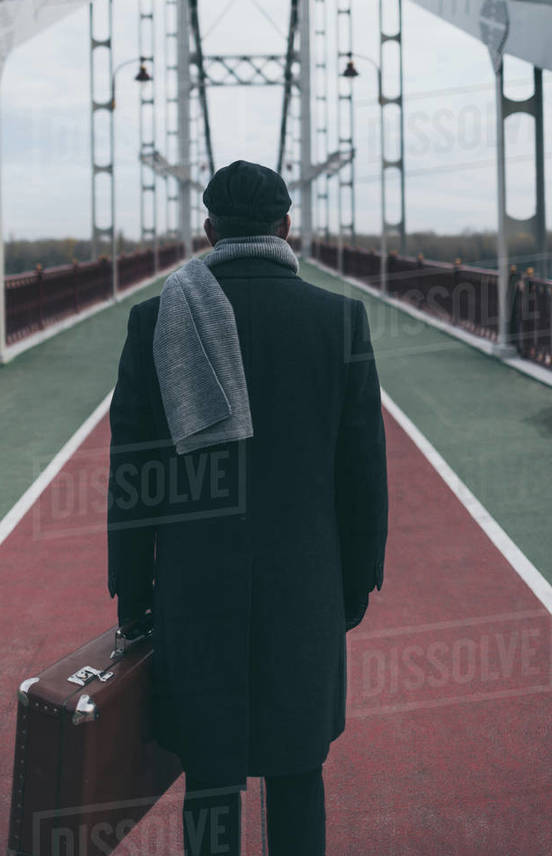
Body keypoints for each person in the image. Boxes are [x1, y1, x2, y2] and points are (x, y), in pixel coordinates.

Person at [108, 159, 388, 856]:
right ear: (285, 227)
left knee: (209, 773)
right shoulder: (339, 320)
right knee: (298, 769)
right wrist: (354, 585)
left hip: (192, 588)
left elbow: (132, 473)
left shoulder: (154, 320)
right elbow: (361, 473)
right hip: (306, 587)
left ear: (208, 229)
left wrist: (131, 591)